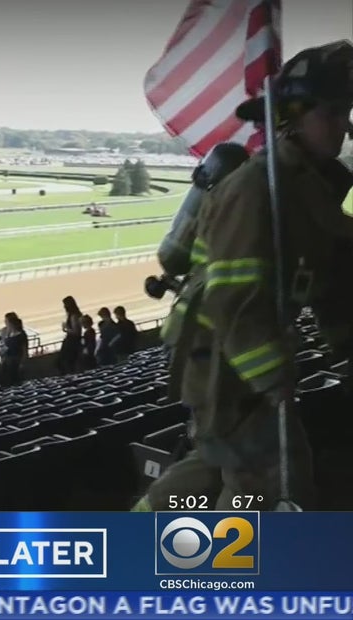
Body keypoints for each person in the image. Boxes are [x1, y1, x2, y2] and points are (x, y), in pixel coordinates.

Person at [133, 40, 353, 513]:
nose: (345, 125)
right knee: (274, 483)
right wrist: (272, 378)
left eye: (347, 111)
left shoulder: (311, 189)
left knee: (218, 462)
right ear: (293, 116)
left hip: (240, 353)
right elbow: (235, 303)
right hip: (222, 357)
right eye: (333, 112)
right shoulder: (256, 189)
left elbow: (336, 283)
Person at [0, 312, 29, 387]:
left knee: (15, 381)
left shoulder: (21, 334)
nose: (5, 322)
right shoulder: (6, 332)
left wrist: (22, 363)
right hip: (7, 360)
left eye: (6, 321)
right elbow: (3, 345)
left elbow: (25, 350)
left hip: (16, 360)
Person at [57, 296, 84, 374]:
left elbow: (76, 332)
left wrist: (66, 328)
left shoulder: (73, 316)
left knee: (66, 362)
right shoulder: (75, 315)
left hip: (72, 343)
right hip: (73, 342)